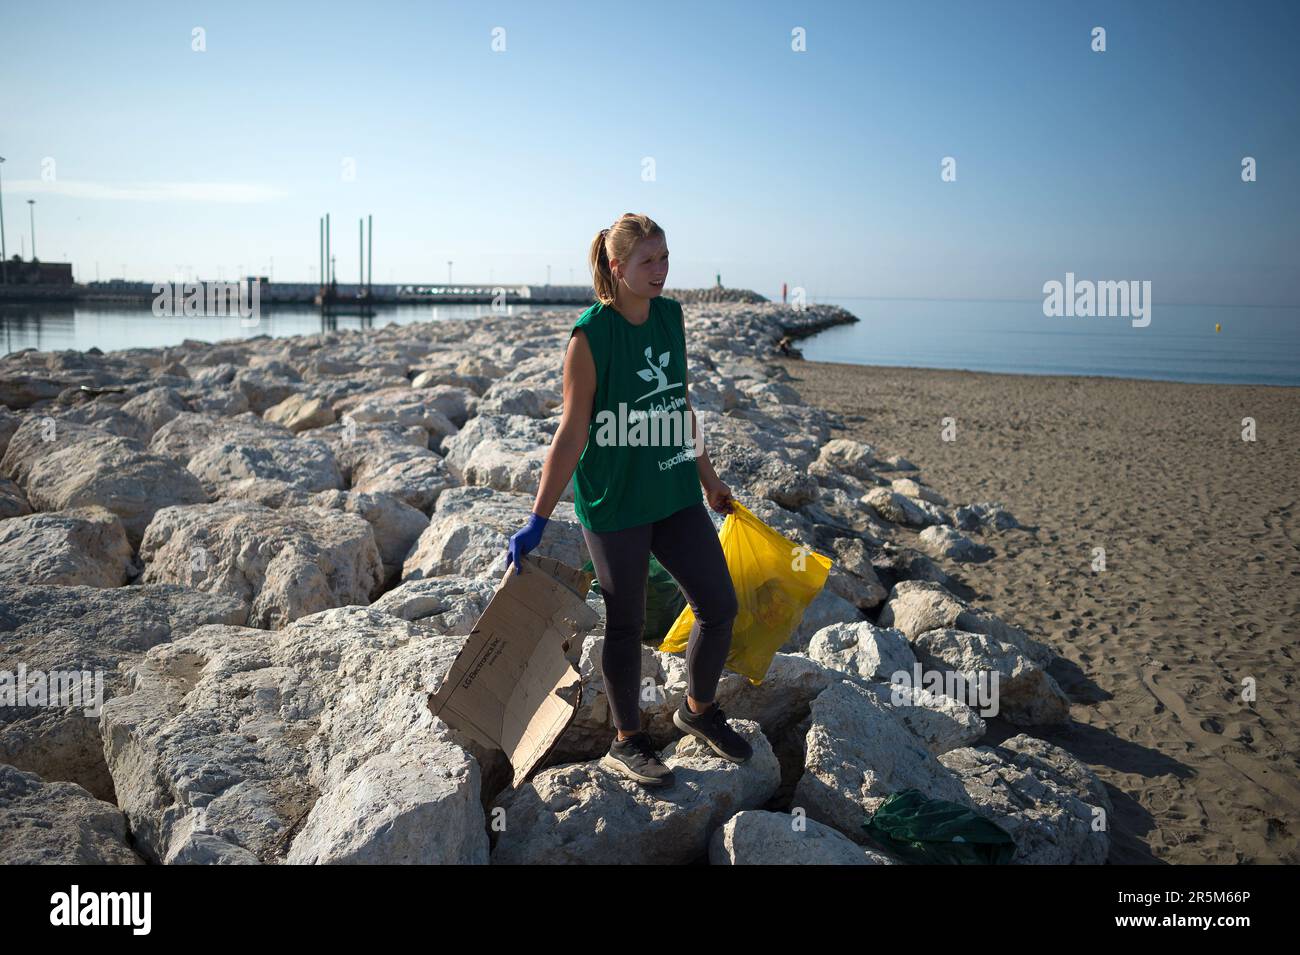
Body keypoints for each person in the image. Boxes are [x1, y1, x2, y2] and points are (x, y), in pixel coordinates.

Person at [505, 213, 751, 788]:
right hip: (614, 501)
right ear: (617, 268)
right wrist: (538, 519)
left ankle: (697, 710)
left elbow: (678, 403)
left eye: (665, 257)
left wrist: (708, 478)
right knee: (625, 624)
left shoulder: (671, 316)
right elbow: (571, 432)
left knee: (719, 606)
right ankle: (627, 740)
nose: (661, 270)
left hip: (672, 491)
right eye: (648, 261)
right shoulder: (590, 337)